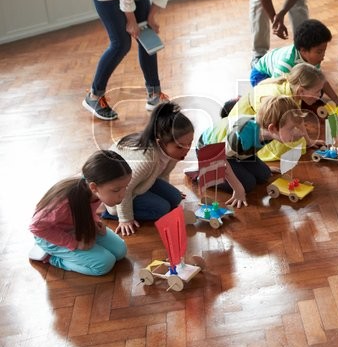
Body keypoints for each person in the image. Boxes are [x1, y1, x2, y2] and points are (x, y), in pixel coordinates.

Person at [29, 150, 132, 276]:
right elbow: (36, 227)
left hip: (78, 227)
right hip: (51, 236)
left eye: (126, 187)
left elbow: (86, 210)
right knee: (104, 264)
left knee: (120, 251)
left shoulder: (95, 191)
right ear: (94, 187)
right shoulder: (62, 204)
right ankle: (53, 258)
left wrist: (95, 222)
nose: (123, 194)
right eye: (116, 190)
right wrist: (74, 243)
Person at [197, 96, 306, 207]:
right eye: (292, 128)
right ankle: (203, 175)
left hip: (234, 153)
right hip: (210, 153)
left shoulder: (269, 131)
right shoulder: (242, 136)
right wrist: (238, 188)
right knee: (247, 184)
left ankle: (237, 168)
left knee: (264, 174)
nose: (296, 132)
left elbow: (252, 147)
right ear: (272, 128)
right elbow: (220, 159)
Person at [106, 102, 194, 235]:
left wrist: (168, 193)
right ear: (160, 142)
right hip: (118, 191)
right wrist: (125, 219)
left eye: (190, 143)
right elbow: (125, 189)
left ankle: (148, 196)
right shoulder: (146, 160)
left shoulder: (173, 152)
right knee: (162, 209)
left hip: (142, 181)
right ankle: (108, 212)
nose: (186, 149)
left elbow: (163, 174)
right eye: (180, 146)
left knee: (175, 198)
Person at [249, 19, 338, 105]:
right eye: (319, 52)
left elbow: (320, 80)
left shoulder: (314, 59)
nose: (323, 56)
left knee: (316, 91)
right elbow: (274, 90)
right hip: (262, 75)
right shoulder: (286, 63)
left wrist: (336, 99)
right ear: (303, 50)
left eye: (324, 51)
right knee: (282, 102)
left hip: (288, 76)